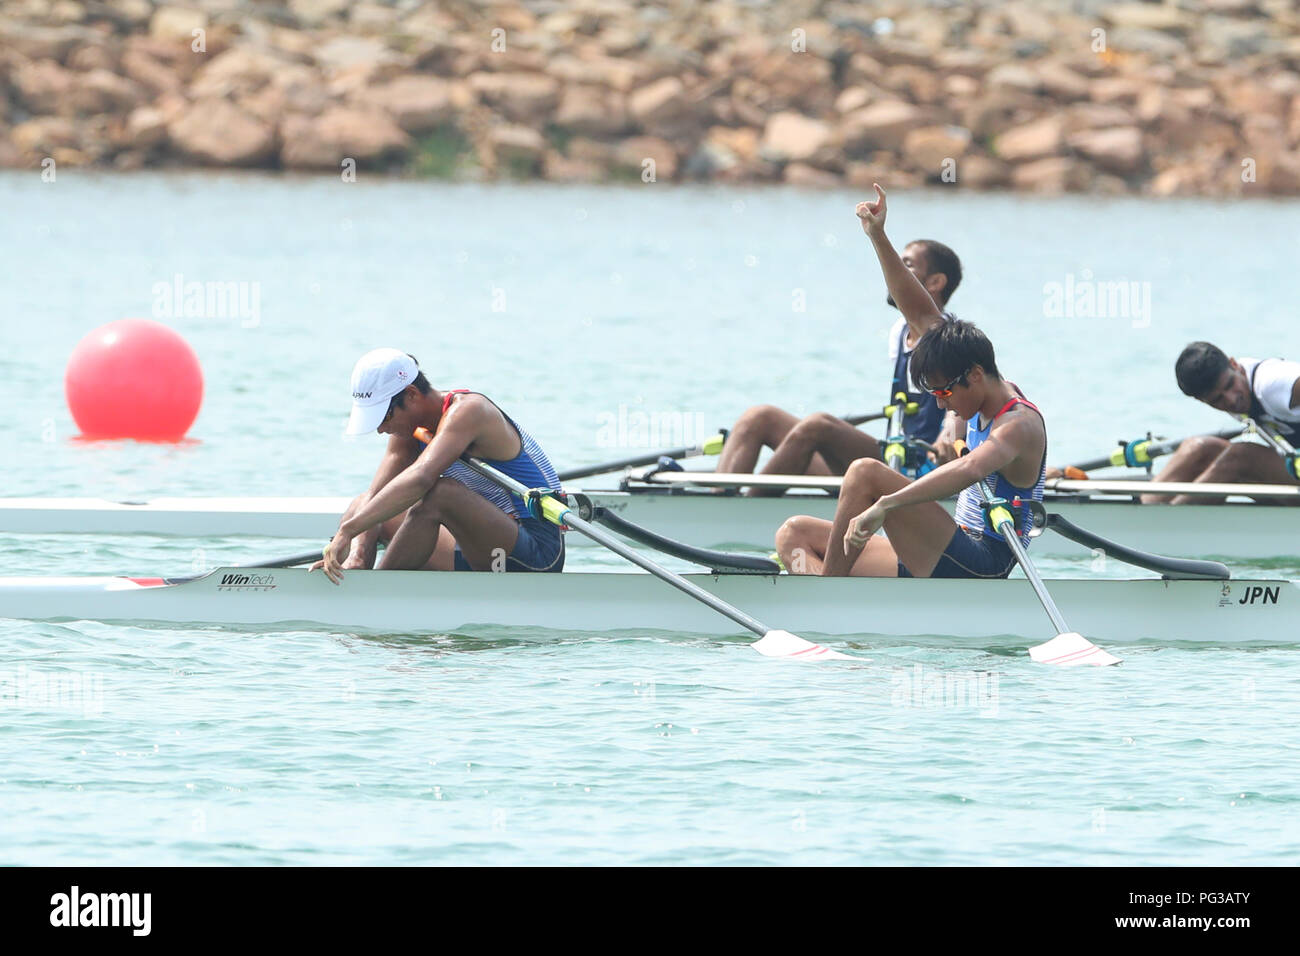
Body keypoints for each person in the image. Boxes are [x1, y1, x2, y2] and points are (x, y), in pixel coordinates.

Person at [713, 185, 963, 495]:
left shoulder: (945, 335)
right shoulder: (900, 331)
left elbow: (966, 392)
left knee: (819, 425)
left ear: (936, 282)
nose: (896, 272)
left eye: (908, 264)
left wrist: (951, 432)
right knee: (758, 417)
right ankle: (717, 499)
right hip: (890, 458)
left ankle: (741, 513)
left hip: (920, 471)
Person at [775, 317, 1046, 578]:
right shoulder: (982, 387)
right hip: (950, 545)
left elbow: (970, 467)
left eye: (944, 394)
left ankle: (827, 597)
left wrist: (887, 504)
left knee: (865, 473)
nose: (941, 405)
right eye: (935, 395)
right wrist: (945, 435)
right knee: (793, 535)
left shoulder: (1019, 424)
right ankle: (834, 597)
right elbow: (920, 313)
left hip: (984, 563)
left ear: (976, 375)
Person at [311, 348, 564, 582]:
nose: (380, 429)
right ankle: (355, 573)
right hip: (478, 546)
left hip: (537, 551)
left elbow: (421, 478)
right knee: (365, 504)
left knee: (441, 493)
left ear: (411, 394)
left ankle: (379, 595)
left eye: (383, 416)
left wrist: (346, 530)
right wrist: (351, 542)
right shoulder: (410, 431)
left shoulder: (471, 411)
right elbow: (375, 495)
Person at [1140, 342, 1300, 505]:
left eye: (1230, 385)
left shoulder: (1273, 383)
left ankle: (1171, 525)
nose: (1231, 399)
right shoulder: (1238, 387)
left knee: (1240, 456)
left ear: (1234, 364)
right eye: (1217, 399)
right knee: (1199, 448)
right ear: (1201, 400)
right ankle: (1144, 518)